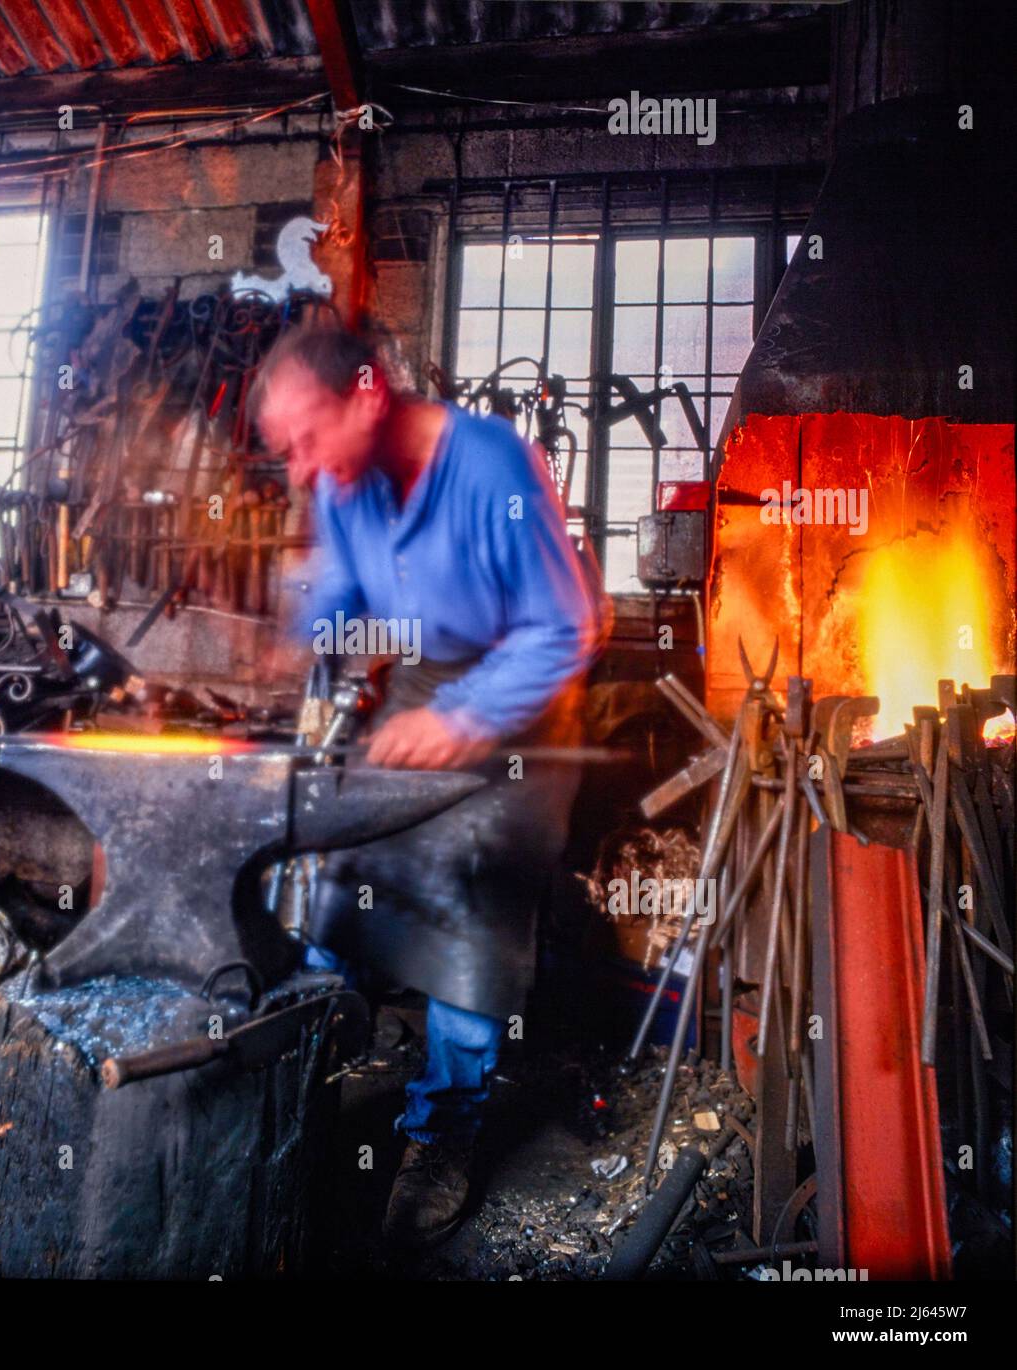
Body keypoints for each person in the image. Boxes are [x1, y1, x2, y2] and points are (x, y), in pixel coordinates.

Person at [253, 324, 607, 1246]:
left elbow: (567, 628)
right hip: (420, 681)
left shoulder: (493, 467)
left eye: (304, 440)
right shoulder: (343, 481)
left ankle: (444, 1128)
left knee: (469, 902)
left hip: (523, 696)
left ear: (369, 396)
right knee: (342, 858)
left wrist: (461, 721)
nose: (298, 470)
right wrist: (293, 629)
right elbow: (343, 590)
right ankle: (306, 1076)